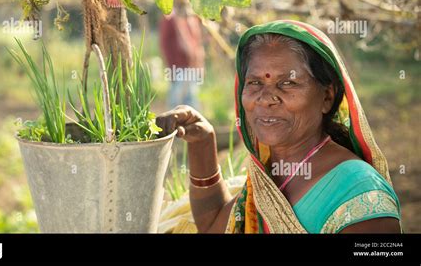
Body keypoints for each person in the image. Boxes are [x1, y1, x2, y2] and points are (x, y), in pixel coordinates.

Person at [157, 20, 402, 233]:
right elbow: (215, 227)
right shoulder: (267, 175)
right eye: (254, 82)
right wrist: (202, 143)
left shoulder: (360, 194)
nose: (265, 98)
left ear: (327, 97)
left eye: (287, 83)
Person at [159, 0, 205, 110]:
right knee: (176, 101)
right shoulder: (169, 19)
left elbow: (197, 43)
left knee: (192, 100)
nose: (183, 2)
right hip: (177, 67)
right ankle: (173, 126)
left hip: (193, 67)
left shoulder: (192, 18)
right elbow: (164, 44)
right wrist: (169, 66)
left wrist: (200, 64)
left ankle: (192, 127)